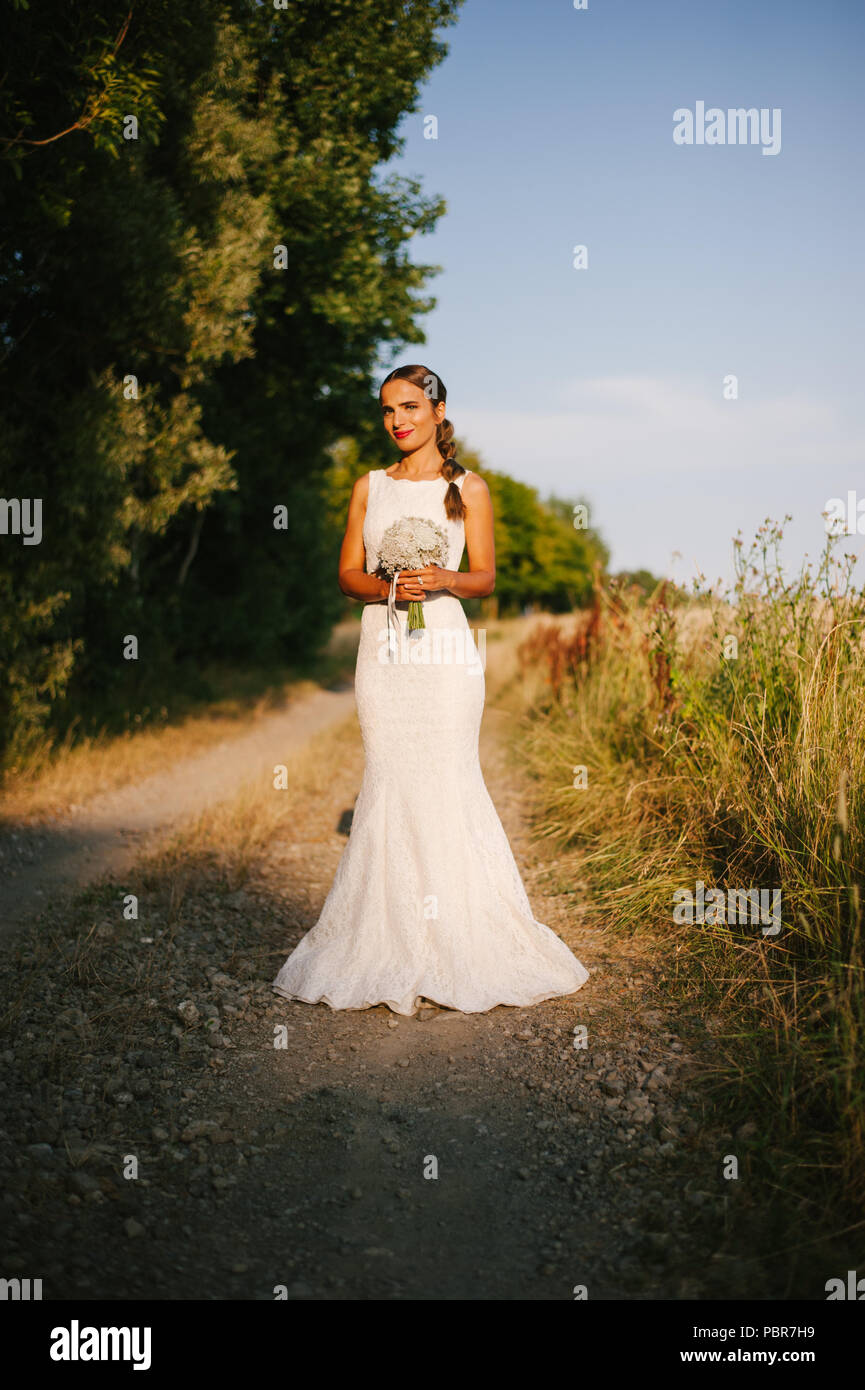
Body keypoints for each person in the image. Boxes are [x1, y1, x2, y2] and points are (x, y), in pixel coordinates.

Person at [272, 364, 589, 1015]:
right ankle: (383, 940)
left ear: (439, 411)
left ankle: (461, 939)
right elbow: (345, 576)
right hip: (382, 647)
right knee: (388, 774)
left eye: (410, 406)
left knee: (446, 775)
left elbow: (486, 578)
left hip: (443, 649)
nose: (398, 420)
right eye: (388, 410)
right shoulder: (369, 488)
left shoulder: (467, 488)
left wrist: (440, 578)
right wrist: (390, 586)